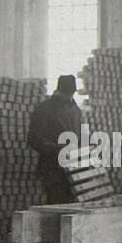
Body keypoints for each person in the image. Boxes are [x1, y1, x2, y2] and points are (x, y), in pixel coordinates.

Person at [27, 75, 83, 205]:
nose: (69, 98)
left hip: (74, 169)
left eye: (71, 94)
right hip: (53, 170)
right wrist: (56, 150)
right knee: (56, 207)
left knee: (72, 209)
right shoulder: (45, 109)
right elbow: (33, 138)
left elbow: (79, 137)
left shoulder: (76, 110)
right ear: (59, 91)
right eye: (66, 94)